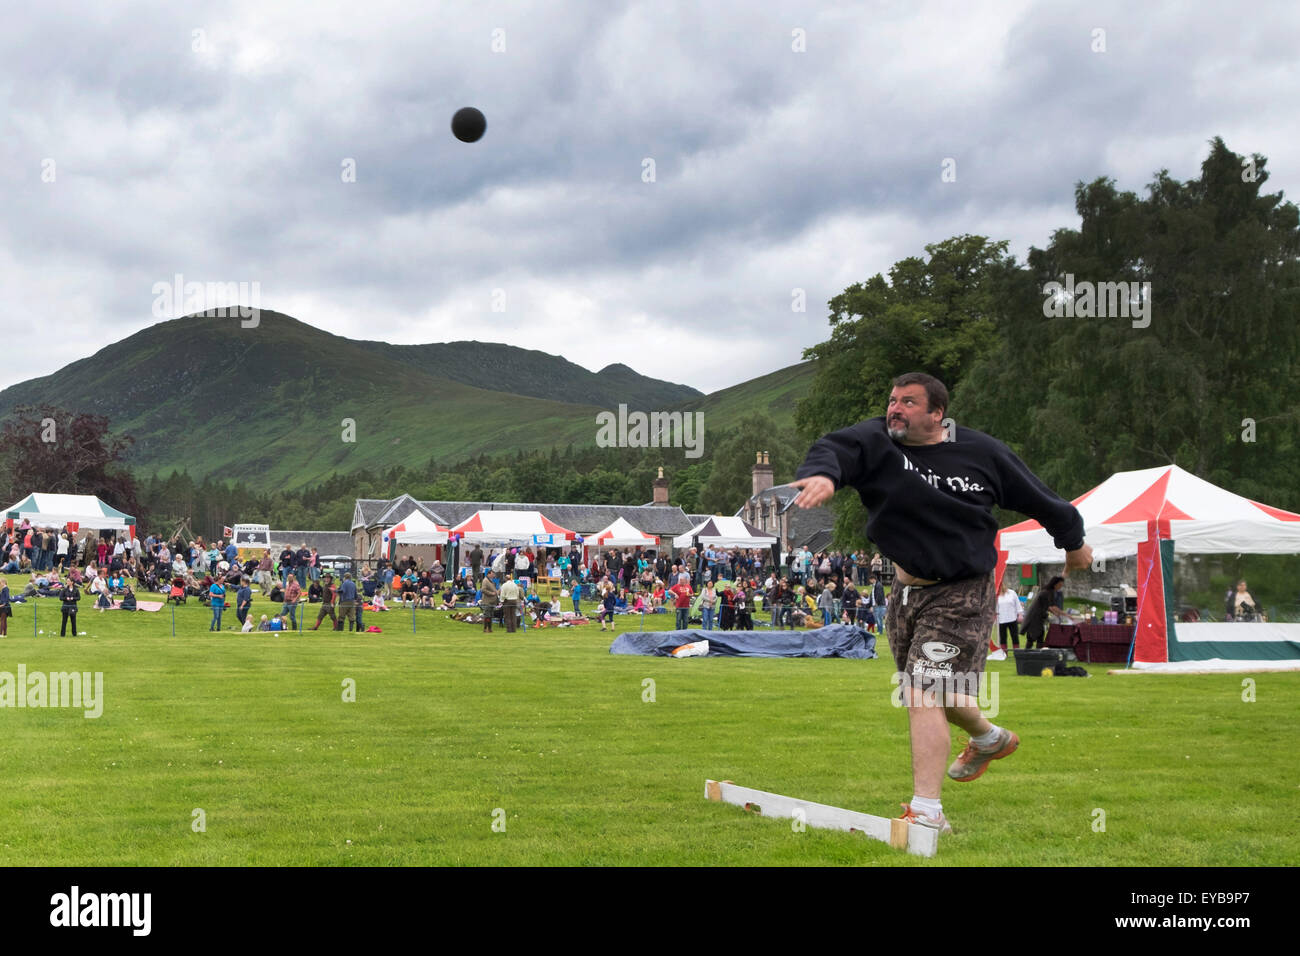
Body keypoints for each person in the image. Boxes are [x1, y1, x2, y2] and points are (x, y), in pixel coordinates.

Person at [791, 371, 1090, 835]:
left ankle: (927, 813)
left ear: (936, 413)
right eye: (892, 400)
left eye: (908, 402)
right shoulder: (877, 440)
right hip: (905, 592)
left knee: (922, 691)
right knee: (932, 690)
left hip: (962, 591)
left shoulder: (983, 453)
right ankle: (989, 738)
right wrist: (826, 476)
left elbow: (1046, 501)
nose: (895, 409)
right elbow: (835, 448)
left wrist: (1074, 545)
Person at [1022, 576, 1065, 650]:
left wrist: (1057, 614)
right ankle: (1026, 654)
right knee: (1032, 637)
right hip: (1034, 617)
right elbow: (1051, 607)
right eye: (1060, 585)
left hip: (1039, 617)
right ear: (1055, 584)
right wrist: (1066, 615)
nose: (1060, 587)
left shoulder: (1049, 592)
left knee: (1039, 636)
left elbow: (1049, 606)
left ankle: (1037, 655)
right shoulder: (1047, 592)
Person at [997, 584, 1023, 650]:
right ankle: (1004, 653)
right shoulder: (996, 594)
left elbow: (1018, 604)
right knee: (1002, 638)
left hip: (1012, 619)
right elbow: (994, 607)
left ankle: (1017, 652)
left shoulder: (1012, 593)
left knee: (1015, 637)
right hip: (1001, 620)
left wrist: (1020, 614)